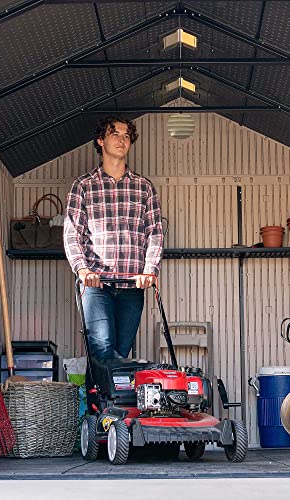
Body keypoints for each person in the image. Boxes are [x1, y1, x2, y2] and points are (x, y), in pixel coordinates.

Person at [64, 116, 164, 360]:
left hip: (132, 286)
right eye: (115, 134)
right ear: (100, 141)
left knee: (120, 354)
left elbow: (155, 233)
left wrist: (150, 270)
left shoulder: (144, 188)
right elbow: (71, 232)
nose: (122, 140)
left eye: (127, 136)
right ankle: (96, 399)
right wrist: (82, 270)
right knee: (101, 350)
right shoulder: (84, 186)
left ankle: (112, 400)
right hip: (97, 286)